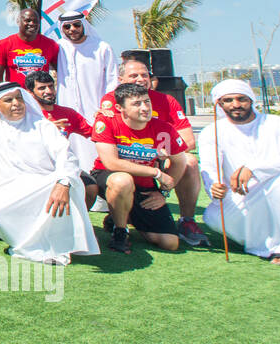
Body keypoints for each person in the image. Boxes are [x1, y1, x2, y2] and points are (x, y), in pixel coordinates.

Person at [0, 83, 100, 265]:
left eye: (19, 98)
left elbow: (65, 155)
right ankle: (26, 244)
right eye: (8, 100)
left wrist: (63, 183)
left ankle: (55, 246)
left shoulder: (42, 125)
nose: (16, 104)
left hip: (41, 186)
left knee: (71, 181)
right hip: (4, 188)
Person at [197, 80, 280, 265]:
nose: (236, 104)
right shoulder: (212, 131)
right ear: (219, 104)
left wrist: (253, 169)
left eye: (241, 99)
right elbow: (209, 167)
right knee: (212, 217)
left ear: (251, 100)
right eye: (228, 100)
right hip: (241, 197)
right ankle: (262, 243)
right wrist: (214, 187)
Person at [97, 57, 207, 247]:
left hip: (158, 159)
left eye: (144, 75)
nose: (140, 79)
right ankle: (121, 222)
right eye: (134, 75)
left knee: (189, 161)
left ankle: (186, 220)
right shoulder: (112, 99)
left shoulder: (167, 101)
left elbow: (188, 141)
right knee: (122, 180)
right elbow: (118, 138)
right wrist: (153, 165)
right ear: (121, 80)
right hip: (126, 165)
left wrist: (159, 156)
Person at [91, 82, 189, 254]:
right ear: (120, 108)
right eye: (137, 104)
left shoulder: (163, 129)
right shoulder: (107, 121)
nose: (145, 108)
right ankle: (120, 231)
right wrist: (156, 173)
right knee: (123, 181)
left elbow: (180, 161)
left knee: (169, 243)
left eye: (147, 102)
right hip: (109, 178)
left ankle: (123, 215)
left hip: (144, 186)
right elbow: (111, 163)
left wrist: (163, 193)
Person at [26, 70, 98, 209]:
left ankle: (77, 222)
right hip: (33, 167)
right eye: (42, 88)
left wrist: (105, 118)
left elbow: (94, 133)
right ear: (30, 92)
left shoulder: (67, 113)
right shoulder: (25, 113)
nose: (49, 91)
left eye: (51, 86)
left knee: (90, 187)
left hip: (62, 165)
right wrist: (45, 130)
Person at [54, 11, 117, 118]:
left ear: (84, 25)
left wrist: (107, 106)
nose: (72, 29)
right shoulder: (58, 47)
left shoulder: (102, 48)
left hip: (97, 111)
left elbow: (112, 80)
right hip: (67, 112)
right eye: (67, 26)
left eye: (77, 25)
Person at [0, 8, 59, 87]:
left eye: (35, 21)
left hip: (41, 96)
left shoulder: (50, 44)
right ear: (18, 22)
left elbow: (61, 71)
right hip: (17, 97)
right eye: (28, 20)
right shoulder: (4, 44)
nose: (32, 24)